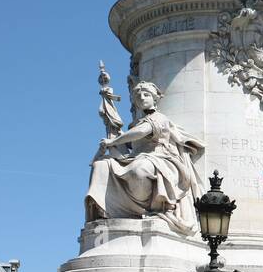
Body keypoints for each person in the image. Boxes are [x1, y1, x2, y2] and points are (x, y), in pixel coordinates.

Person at [87, 81, 206, 236]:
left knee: (140, 169)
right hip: (137, 158)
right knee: (101, 165)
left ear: (155, 99)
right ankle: (106, 211)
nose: (142, 98)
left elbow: (142, 131)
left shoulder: (159, 118)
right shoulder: (135, 124)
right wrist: (111, 122)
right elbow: (128, 143)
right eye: (138, 96)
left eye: (146, 95)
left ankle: (153, 208)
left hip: (161, 159)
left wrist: (114, 141)